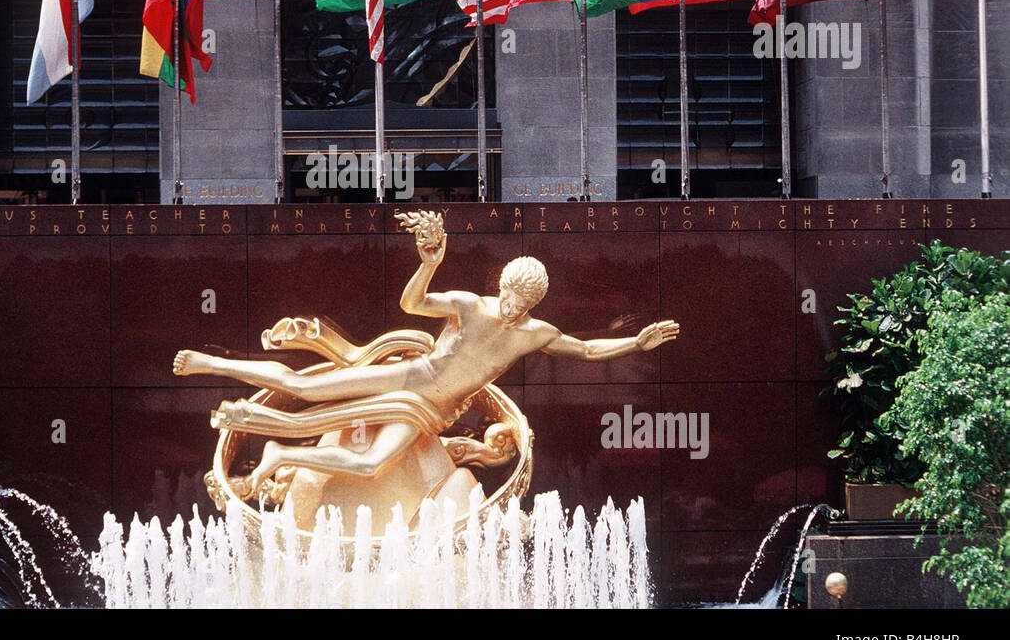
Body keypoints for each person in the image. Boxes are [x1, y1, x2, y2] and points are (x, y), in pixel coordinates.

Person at [173, 210, 679, 497]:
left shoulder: (534, 332)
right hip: (409, 377)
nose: (509, 307)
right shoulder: (469, 305)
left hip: (429, 411)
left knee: (372, 465)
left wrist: (635, 342)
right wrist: (429, 262)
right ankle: (210, 363)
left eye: (521, 303)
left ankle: (282, 452)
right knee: (303, 386)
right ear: (500, 286)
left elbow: (587, 349)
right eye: (507, 295)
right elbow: (412, 303)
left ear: (533, 305)